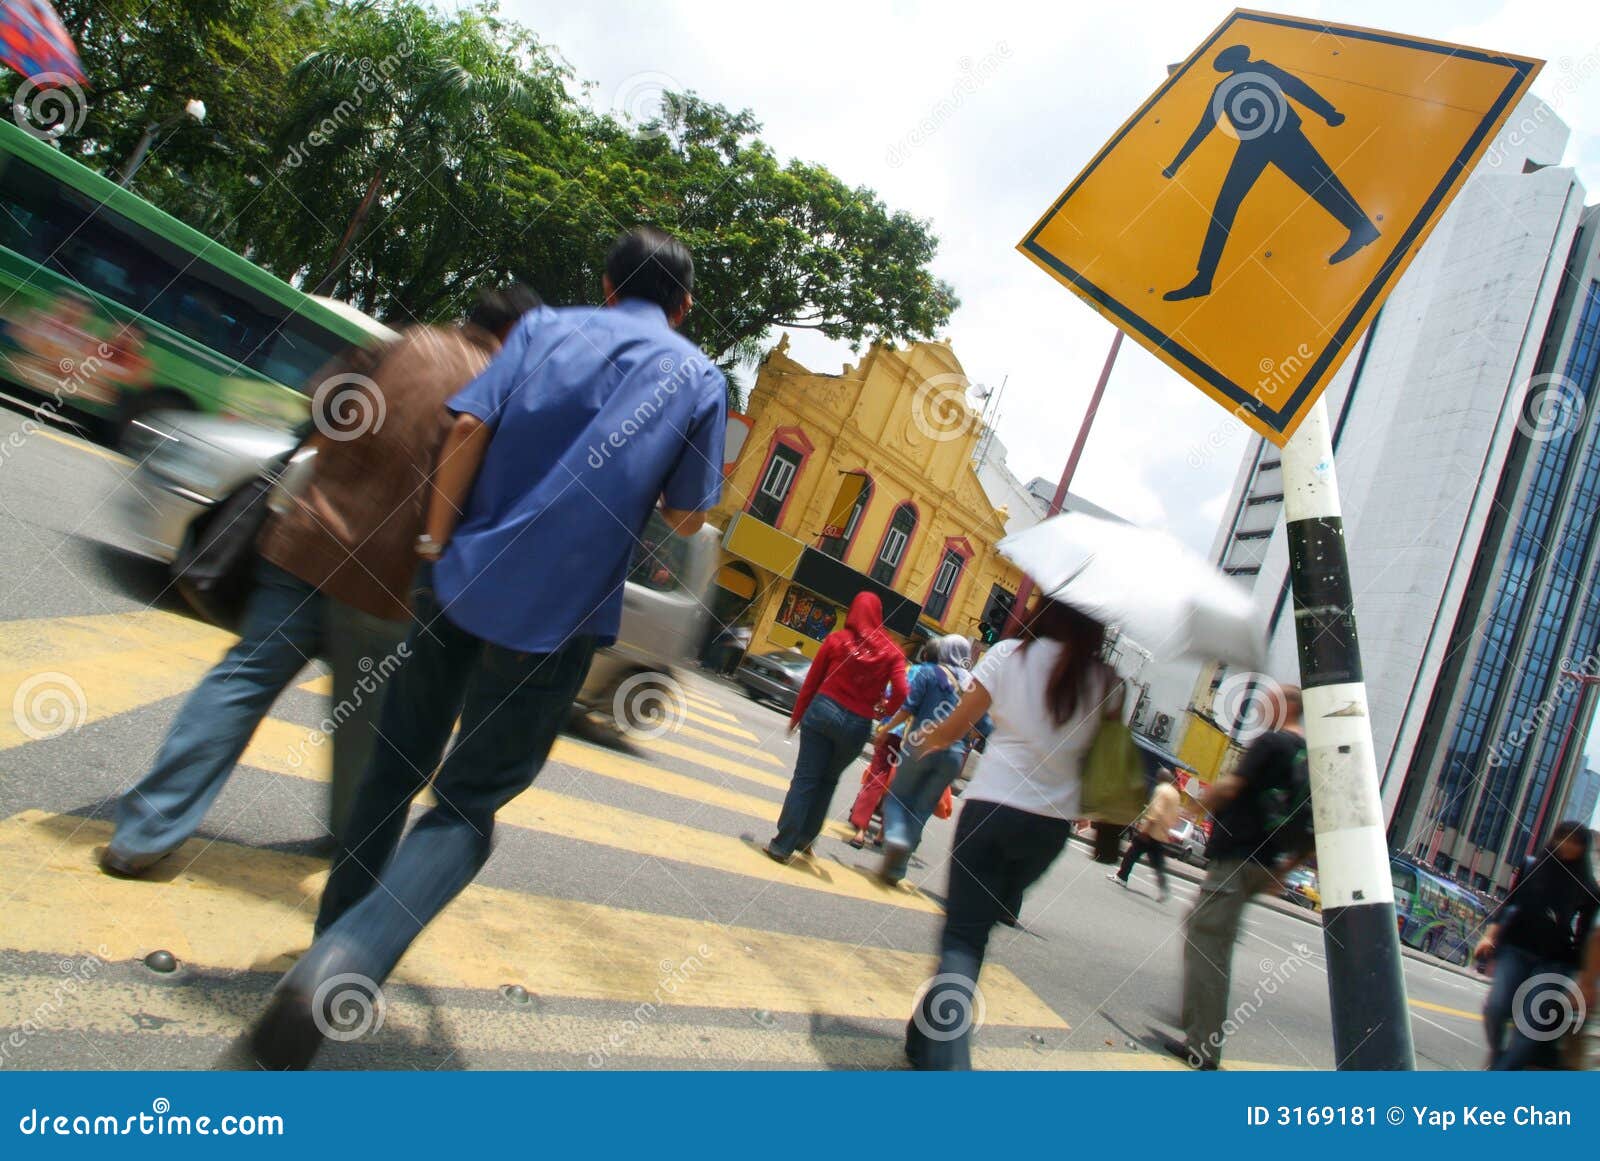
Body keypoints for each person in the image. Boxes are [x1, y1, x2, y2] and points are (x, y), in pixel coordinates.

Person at [246, 228, 726, 1069]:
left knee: (393, 766)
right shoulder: (697, 377)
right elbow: (687, 518)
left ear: (609, 287)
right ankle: (345, 961)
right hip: (563, 619)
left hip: (459, 581)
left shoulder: (544, 330)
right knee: (466, 808)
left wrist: (436, 549)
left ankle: (330, 936)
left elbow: (465, 430)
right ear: (683, 307)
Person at [98, 287, 538, 878]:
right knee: (367, 722)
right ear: (513, 335)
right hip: (389, 582)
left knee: (242, 680)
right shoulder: (499, 390)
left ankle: (143, 834)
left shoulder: (404, 342)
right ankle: (351, 844)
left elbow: (319, 406)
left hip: (304, 543)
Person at [900, 597, 1119, 1069]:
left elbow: (956, 725)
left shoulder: (1009, 655)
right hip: (1048, 832)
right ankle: (923, 1039)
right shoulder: (1108, 684)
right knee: (974, 928)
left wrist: (923, 743)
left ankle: (949, 1061)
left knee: (963, 937)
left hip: (992, 810)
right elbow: (1103, 766)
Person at [1159, 686, 1308, 1070]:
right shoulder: (1308, 758)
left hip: (1237, 858)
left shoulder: (1272, 744)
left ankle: (1203, 1044)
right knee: (1202, 928)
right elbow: (1312, 826)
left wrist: (1194, 809)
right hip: (1263, 863)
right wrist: (1284, 870)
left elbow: (1231, 785)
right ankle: (1193, 1015)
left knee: (1210, 944)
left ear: (1282, 706)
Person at [1161, 44, 1379, 301]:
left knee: (1320, 181)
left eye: (1239, 59)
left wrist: (1328, 112)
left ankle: (1362, 228)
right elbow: (1204, 127)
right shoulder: (1223, 89)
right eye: (1234, 61)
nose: (1240, 63)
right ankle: (1203, 278)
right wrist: (1176, 163)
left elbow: (1295, 87)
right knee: (1225, 205)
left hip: (1284, 134)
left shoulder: (1262, 68)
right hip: (1254, 145)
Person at [764, 591, 908, 864]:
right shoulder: (892, 653)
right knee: (828, 780)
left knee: (806, 778)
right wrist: (885, 712)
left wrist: (796, 718)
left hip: (822, 713)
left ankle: (782, 845)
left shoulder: (836, 640)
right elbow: (902, 691)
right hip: (857, 725)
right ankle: (806, 838)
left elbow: (811, 683)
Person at [1475, 820, 1599, 1070]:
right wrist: (1489, 935)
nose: (1567, 845)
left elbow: (1587, 936)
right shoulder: (1533, 866)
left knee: (1532, 1023)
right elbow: (1511, 904)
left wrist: (1584, 980)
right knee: (1496, 1008)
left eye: (1575, 842)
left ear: (1583, 849)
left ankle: (1500, 1074)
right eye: (1562, 838)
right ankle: (1499, 1055)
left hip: (1557, 961)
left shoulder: (1588, 888)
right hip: (1517, 948)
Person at [877, 634, 992, 884]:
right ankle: (897, 869)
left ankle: (896, 836)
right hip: (953, 755)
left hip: (921, 745)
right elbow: (984, 724)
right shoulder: (972, 685)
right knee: (922, 809)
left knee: (897, 799)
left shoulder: (930, 674)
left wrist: (886, 729)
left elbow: (909, 706)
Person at [847, 643, 928, 848]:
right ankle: (882, 834)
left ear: (923, 655)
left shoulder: (910, 671)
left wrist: (886, 718)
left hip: (893, 731)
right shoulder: (944, 681)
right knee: (898, 785)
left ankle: (861, 831)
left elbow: (891, 694)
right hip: (915, 739)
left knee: (877, 777)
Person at [1109, 768, 1180, 901]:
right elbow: (1175, 816)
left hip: (1150, 831)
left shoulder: (1161, 790)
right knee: (1158, 863)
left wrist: (1145, 830)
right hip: (1162, 834)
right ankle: (1164, 889)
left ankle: (1121, 877)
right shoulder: (1175, 794)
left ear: (1160, 778)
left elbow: (1156, 812)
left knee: (1131, 854)